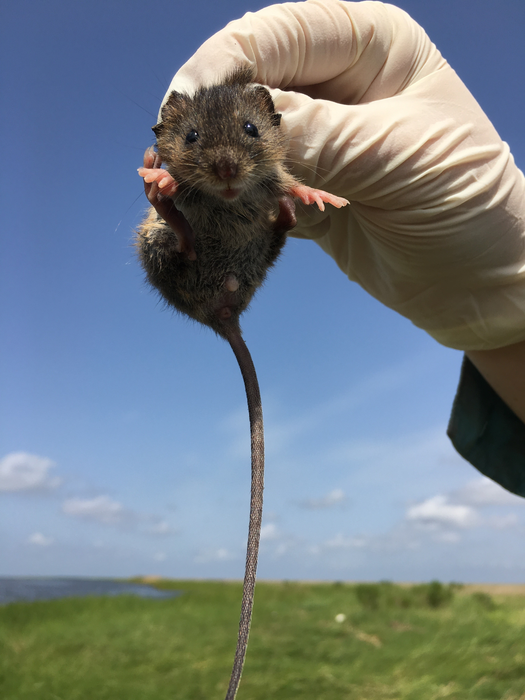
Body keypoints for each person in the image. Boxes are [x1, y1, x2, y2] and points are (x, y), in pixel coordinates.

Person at [139, 0, 525, 496]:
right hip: (194, 278)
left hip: (233, 274)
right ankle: (188, 231)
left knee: (265, 214)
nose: (227, 161)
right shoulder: (181, 181)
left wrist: (302, 190)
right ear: (168, 136)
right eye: (192, 139)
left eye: (249, 132)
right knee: (157, 237)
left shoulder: (269, 167)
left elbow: (281, 179)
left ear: (274, 123)